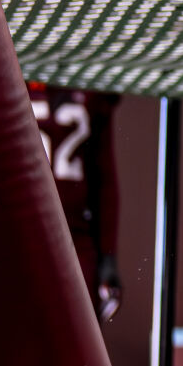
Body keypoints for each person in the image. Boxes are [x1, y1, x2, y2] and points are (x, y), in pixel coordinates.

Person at [28, 83, 122, 322]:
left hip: (75, 237)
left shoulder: (88, 85)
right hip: (19, 237)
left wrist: (108, 256)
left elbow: (104, 177)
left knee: (79, 344)